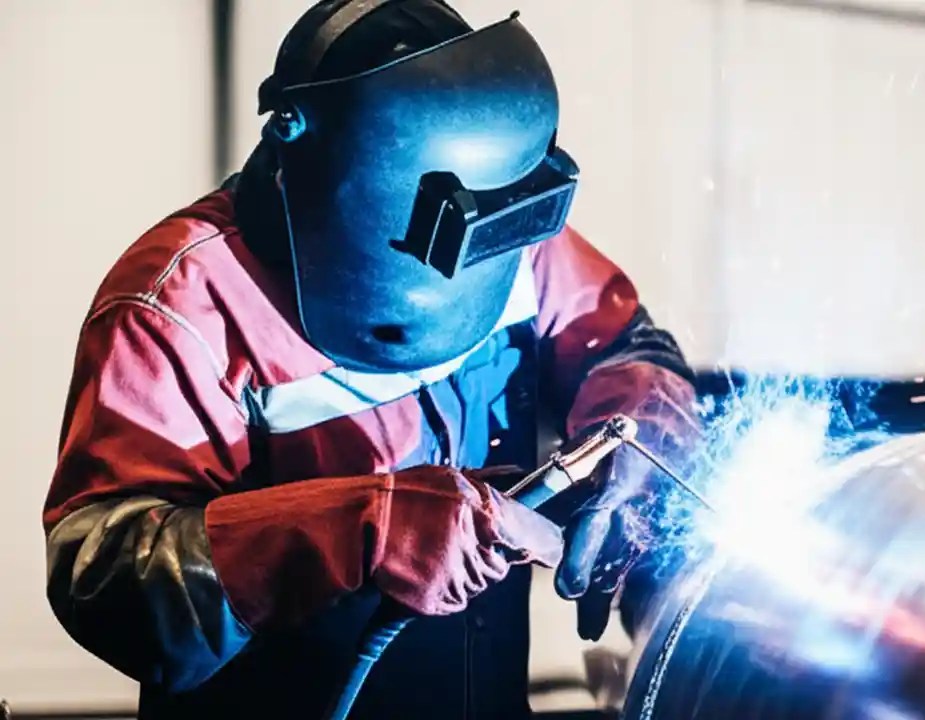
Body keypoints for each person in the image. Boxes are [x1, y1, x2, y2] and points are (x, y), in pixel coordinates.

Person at [41, 2, 698, 718]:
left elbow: (631, 347)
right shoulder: (184, 301)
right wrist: (356, 531)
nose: (490, 257)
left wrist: (635, 454)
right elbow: (107, 582)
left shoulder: (515, 237)